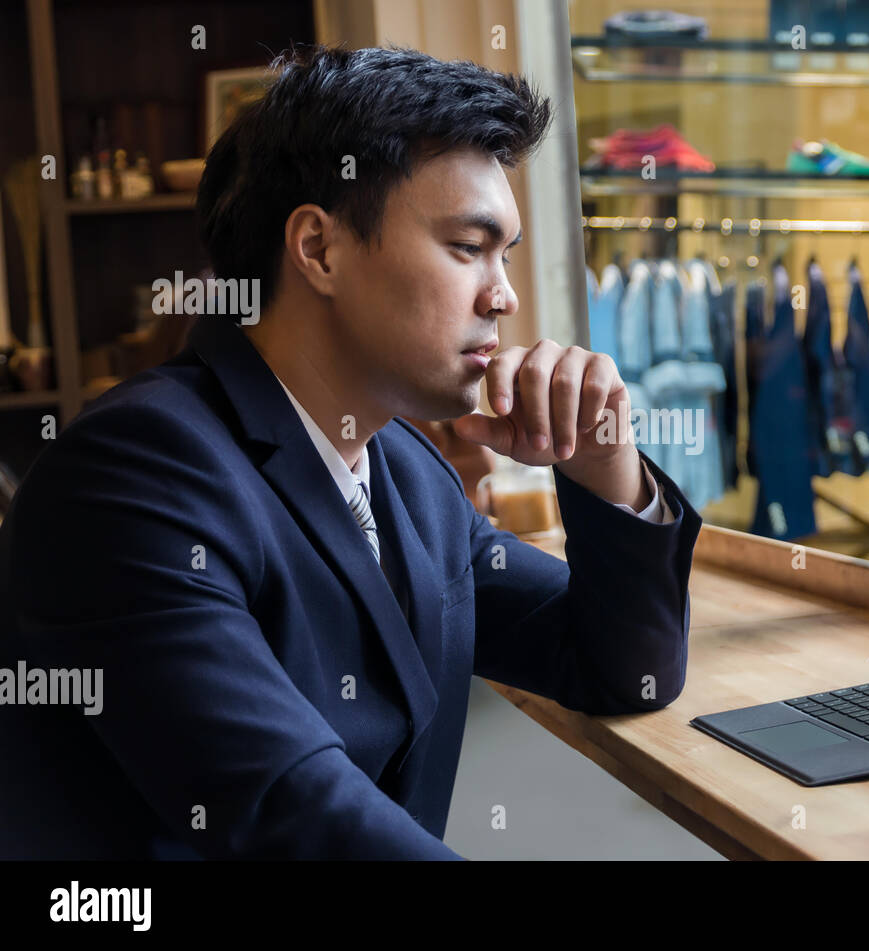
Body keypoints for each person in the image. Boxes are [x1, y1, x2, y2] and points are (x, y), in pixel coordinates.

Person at [0, 45, 702, 860]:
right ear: (319, 250)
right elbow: (290, 814)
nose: (503, 294)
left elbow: (624, 670)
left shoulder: (404, 469)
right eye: (469, 246)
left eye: (505, 254)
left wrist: (600, 461)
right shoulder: (135, 473)